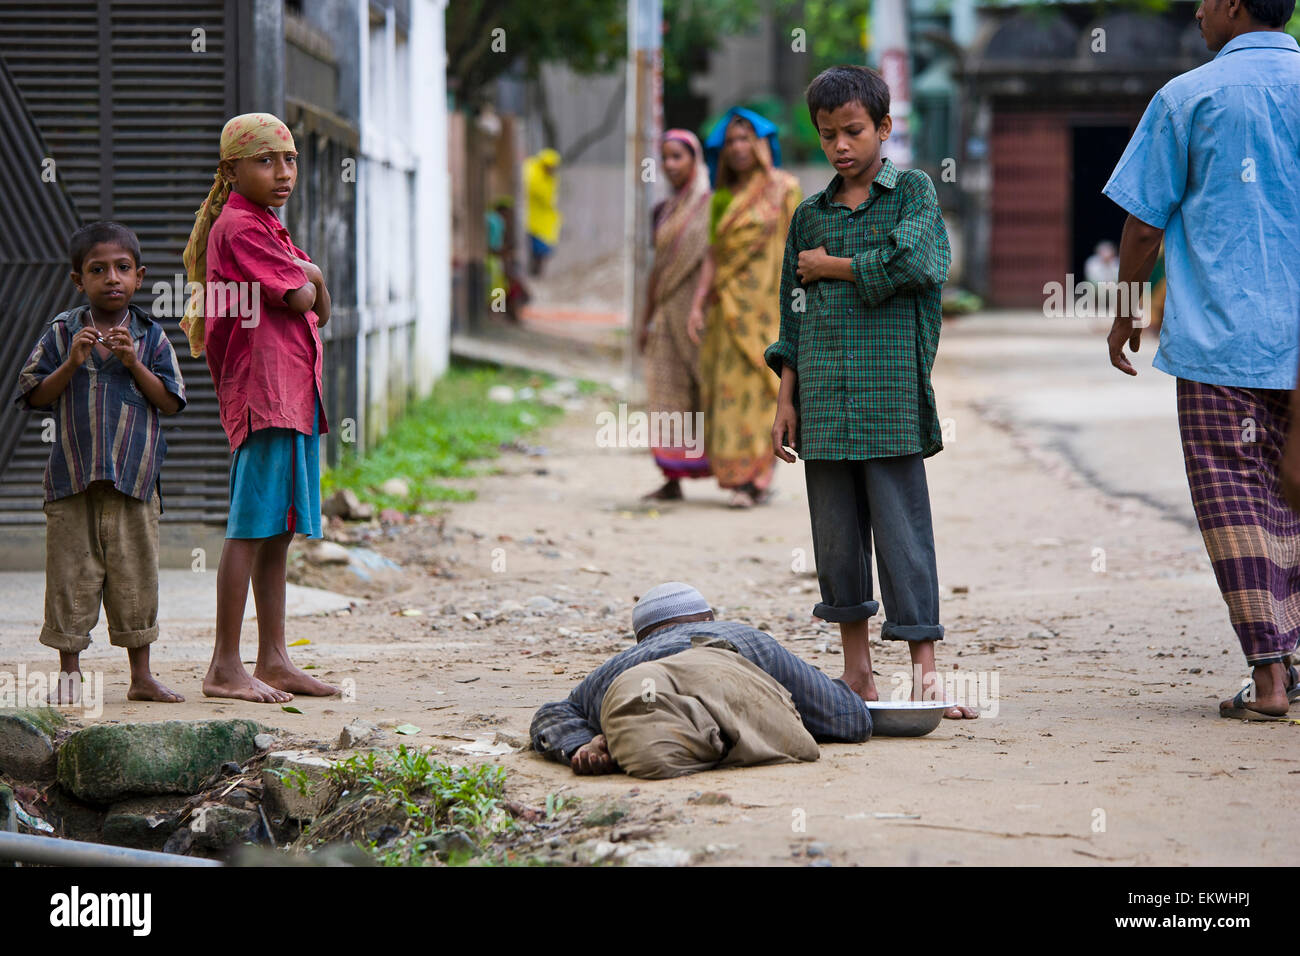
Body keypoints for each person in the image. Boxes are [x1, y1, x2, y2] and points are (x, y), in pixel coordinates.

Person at [1103, 0, 1300, 720]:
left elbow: (1143, 226)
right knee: (1290, 497)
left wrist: (1125, 309)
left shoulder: (1188, 97)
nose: (1194, 11)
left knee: (1234, 498)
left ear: (1232, 6)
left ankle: (1272, 675)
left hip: (1222, 345)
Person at [764, 65, 976, 721]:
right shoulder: (809, 215)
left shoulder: (911, 192)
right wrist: (785, 399)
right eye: (828, 135)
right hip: (824, 402)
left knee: (903, 535)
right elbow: (792, 315)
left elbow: (920, 264)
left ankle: (927, 673)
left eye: (853, 131)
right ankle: (857, 673)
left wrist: (835, 266)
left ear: (884, 128)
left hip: (890, 400)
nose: (841, 147)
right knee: (835, 538)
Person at [180, 112, 339, 703]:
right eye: (266, 160)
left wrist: (310, 281)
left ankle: (273, 659)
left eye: (290, 159)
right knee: (250, 529)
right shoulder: (240, 227)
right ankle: (225, 665)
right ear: (232, 170)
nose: (283, 173)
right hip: (265, 397)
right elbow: (305, 295)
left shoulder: (270, 227)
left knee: (279, 532)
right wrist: (315, 273)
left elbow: (318, 313)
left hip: (294, 394)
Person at [15, 221, 187, 704]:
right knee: (71, 576)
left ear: (139, 276)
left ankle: (141, 677)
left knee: (136, 578)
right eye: (98, 270)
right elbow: (34, 395)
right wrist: (71, 362)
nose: (112, 278)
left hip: (134, 482)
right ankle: (70, 676)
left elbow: (171, 402)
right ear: (78, 280)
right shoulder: (61, 333)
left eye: (123, 268)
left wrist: (134, 364)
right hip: (73, 482)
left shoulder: (151, 337)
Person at [530, 582, 872, 776]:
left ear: (643, 638)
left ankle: (651, 742)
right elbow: (849, 718)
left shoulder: (620, 665)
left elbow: (551, 715)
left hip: (646, 693)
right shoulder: (747, 638)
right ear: (710, 619)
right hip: (724, 667)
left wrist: (581, 746)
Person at [687, 108, 801, 508]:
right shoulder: (721, 199)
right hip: (726, 309)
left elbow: (796, 246)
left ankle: (758, 477)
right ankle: (737, 475)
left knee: (764, 389)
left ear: (761, 144)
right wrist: (697, 305)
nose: (738, 148)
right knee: (728, 392)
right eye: (731, 141)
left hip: (768, 310)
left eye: (745, 139)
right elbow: (713, 256)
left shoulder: (785, 189)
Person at [637, 129, 713, 500]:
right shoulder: (662, 211)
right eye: (664, 158)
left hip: (701, 317)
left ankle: (739, 471)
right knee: (666, 393)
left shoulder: (713, 206)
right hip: (667, 314)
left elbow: (715, 263)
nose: (669, 165)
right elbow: (657, 270)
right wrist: (645, 319)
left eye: (677, 157)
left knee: (707, 391)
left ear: (695, 160)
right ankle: (672, 476)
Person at [523, 148, 562, 277]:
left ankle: (537, 274)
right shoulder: (534, 174)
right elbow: (543, 194)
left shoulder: (547, 178)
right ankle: (534, 273)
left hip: (542, 221)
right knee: (537, 250)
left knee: (543, 250)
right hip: (533, 221)